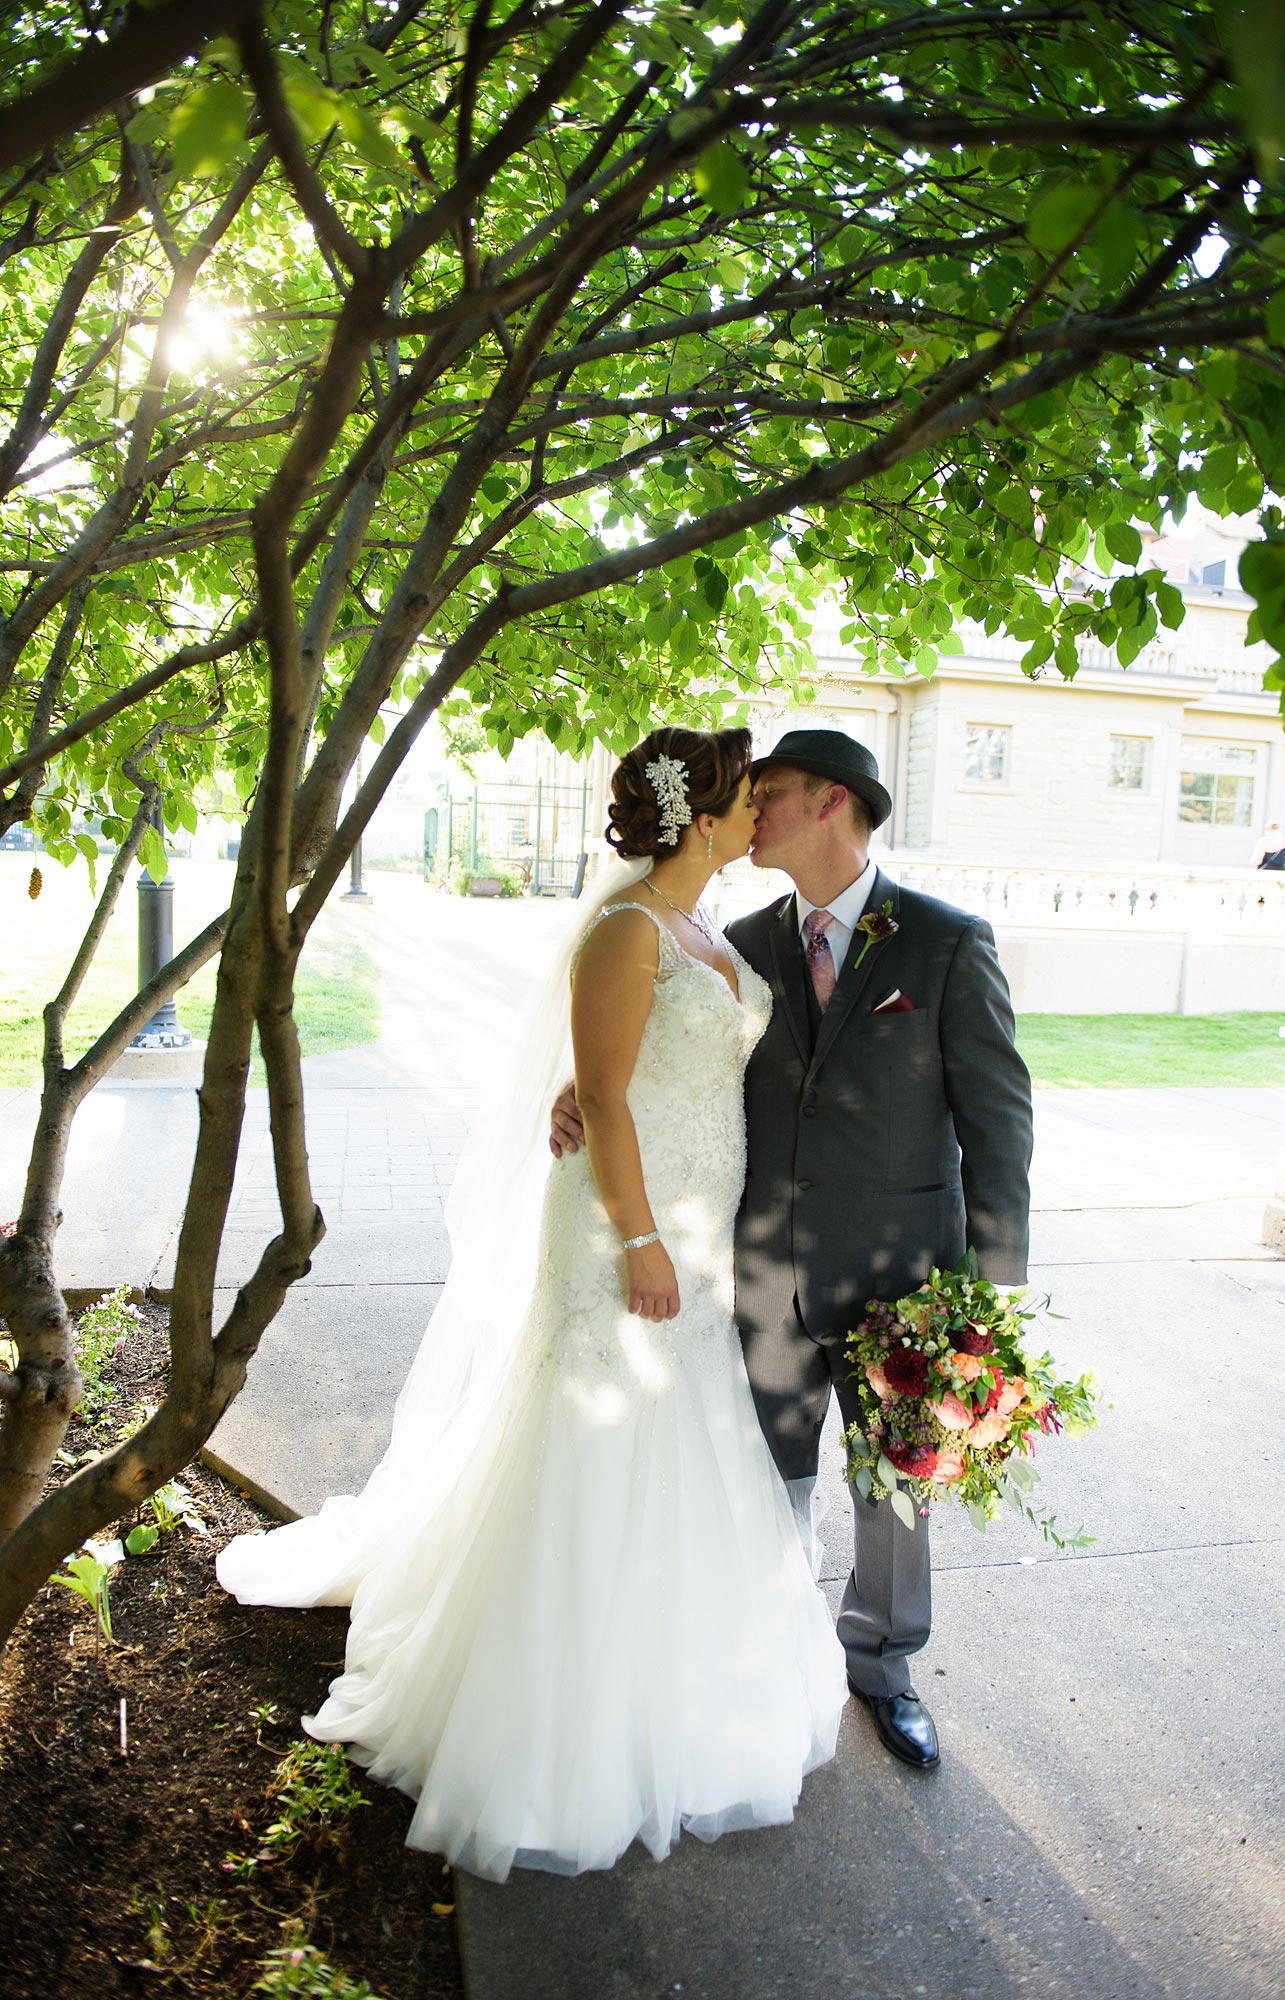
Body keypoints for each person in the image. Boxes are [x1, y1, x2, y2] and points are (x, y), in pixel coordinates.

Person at [216, 726, 845, 1883]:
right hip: (626, 1225)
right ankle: (557, 1704)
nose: (761, 813)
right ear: (700, 815)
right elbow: (603, 1096)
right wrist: (642, 1236)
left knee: (685, 1433)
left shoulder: (708, 930)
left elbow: (642, 1066)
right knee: (594, 1427)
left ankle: (672, 1669)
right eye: (747, 799)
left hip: (702, 1225)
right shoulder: (624, 929)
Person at [553, 728, 1033, 1772]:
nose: (750, 812)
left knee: (895, 1486)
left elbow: (1000, 1123)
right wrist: (586, 1092)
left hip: (905, 1277)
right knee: (761, 1470)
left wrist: (995, 1297)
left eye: (769, 794)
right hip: (759, 1266)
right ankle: (768, 1654)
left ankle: (883, 1664)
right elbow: (671, 1053)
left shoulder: (947, 942)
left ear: (830, 803)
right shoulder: (739, 940)